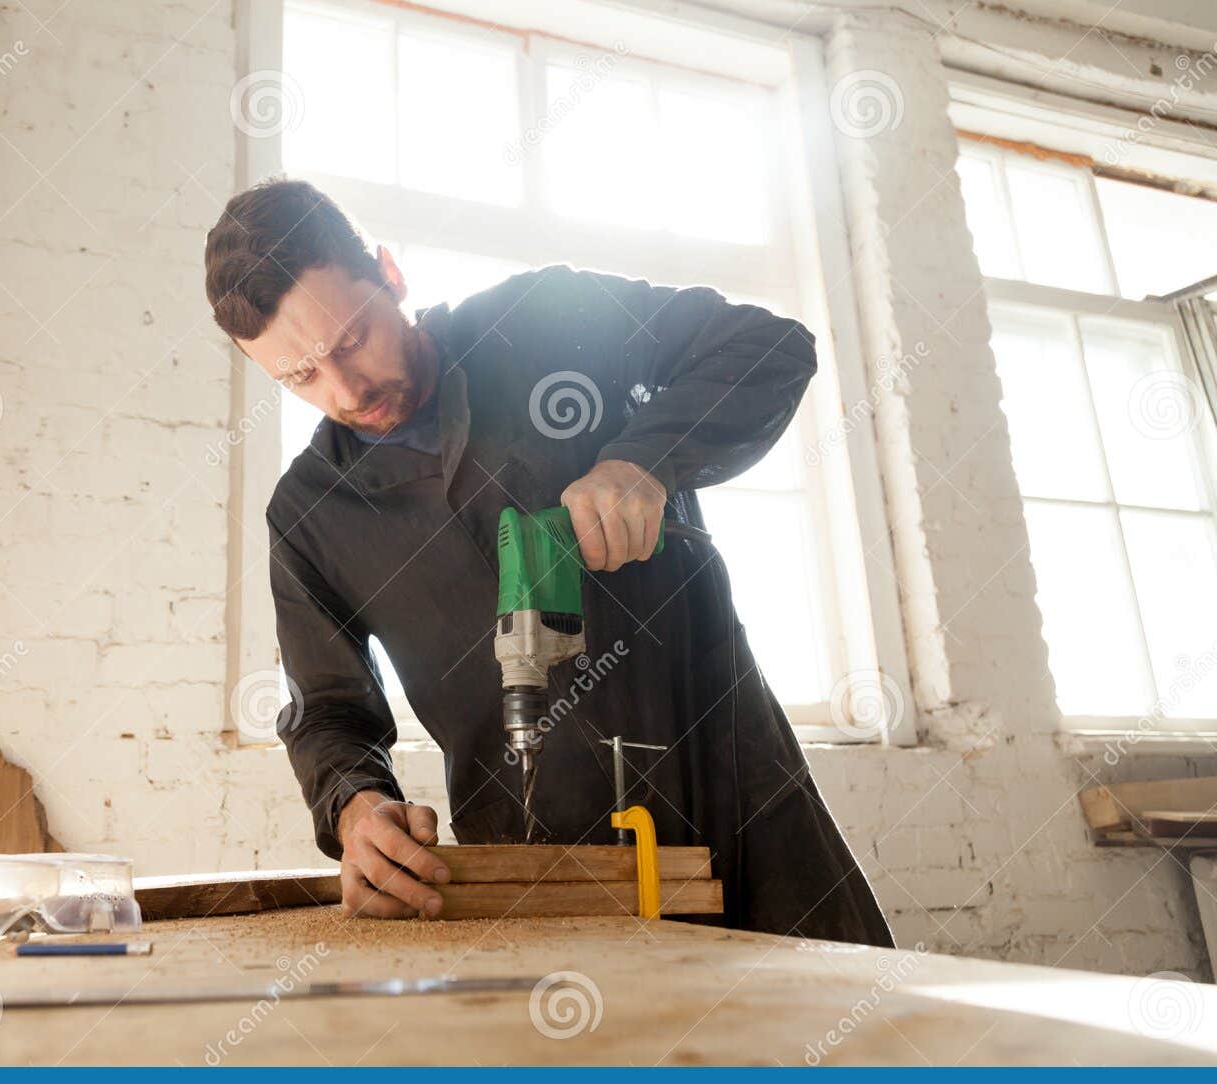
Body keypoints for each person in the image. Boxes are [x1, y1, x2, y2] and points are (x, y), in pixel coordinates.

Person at [204, 177, 891, 946]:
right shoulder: (310, 515)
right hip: (536, 863)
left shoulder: (540, 321)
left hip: (743, 804)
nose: (346, 389)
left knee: (852, 1021)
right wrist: (356, 806)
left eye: (352, 339)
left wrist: (645, 459)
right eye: (300, 376)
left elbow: (768, 348)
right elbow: (329, 710)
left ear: (390, 274)